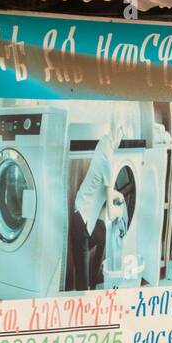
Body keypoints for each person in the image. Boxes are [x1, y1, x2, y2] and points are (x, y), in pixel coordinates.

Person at [70, 110, 128, 291]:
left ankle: (94, 280)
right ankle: (87, 291)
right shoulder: (107, 161)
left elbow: (105, 189)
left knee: (103, 235)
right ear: (119, 130)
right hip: (80, 222)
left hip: (82, 213)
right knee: (82, 285)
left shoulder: (104, 143)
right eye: (123, 133)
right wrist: (122, 212)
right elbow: (111, 212)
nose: (123, 138)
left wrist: (119, 196)